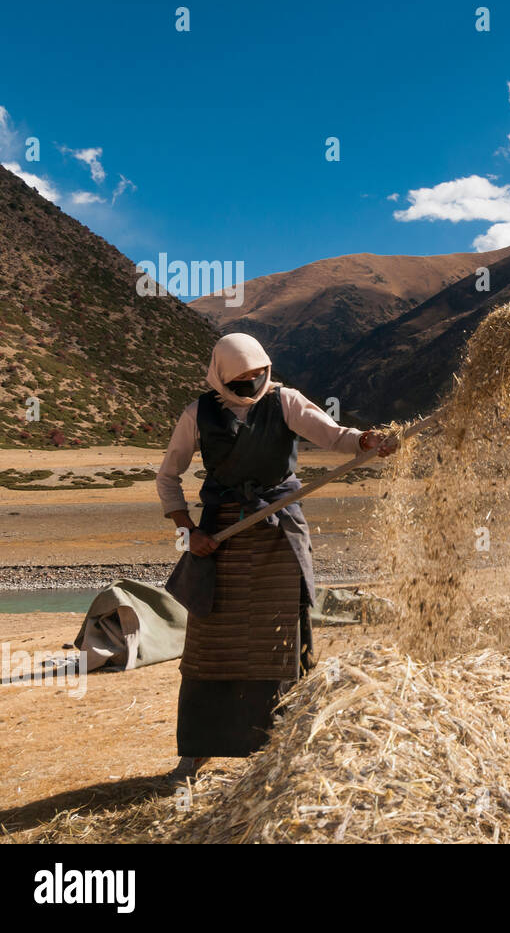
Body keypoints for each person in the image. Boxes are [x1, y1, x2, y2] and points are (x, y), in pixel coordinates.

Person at [156, 333, 394, 781]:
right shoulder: (197, 414)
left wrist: (367, 440)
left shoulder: (285, 401)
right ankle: (198, 748)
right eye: (243, 379)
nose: (253, 383)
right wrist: (189, 530)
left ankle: (287, 747)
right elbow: (168, 476)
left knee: (281, 637)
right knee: (211, 643)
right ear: (222, 377)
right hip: (223, 535)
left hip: (278, 529)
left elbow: (333, 435)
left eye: (259, 374)